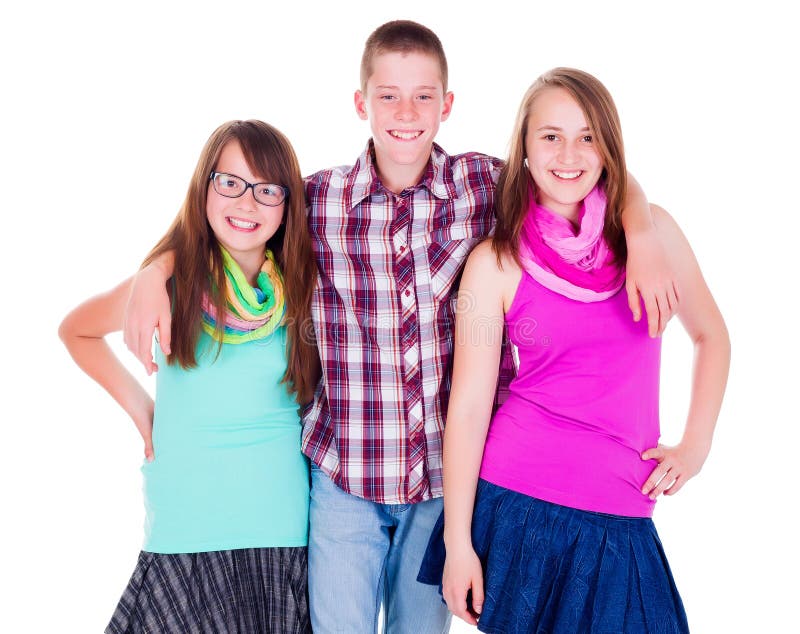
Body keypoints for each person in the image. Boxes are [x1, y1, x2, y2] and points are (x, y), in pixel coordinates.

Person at [122, 22, 679, 634]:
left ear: (447, 105)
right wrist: (159, 266)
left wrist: (644, 229)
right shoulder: (318, 201)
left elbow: (590, 171)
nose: (406, 112)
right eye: (388, 95)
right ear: (361, 103)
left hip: (441, 482)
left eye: (423, 96)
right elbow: (238, 220)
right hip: (345, 479)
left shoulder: (484, 186)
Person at [417, 68, 731, 633]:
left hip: (621, 507)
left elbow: (712, 337)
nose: (569, 154)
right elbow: (466, 410)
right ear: (526, 148)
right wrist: (458, 542)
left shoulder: (652, 235)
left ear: (608, 147)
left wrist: (696, 446)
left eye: (587, 136)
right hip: (517, 499)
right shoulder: (494, 263)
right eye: (551, 135)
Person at [59, 120, 319, 634]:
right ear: (204, 187)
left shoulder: (304, 286)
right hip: (186, 522)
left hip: (278, 523)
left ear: (287, 204)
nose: (247, 204)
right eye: (230, 183)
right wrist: (142, 410)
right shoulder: (168, 285)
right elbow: (76, 332)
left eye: (267, 190)